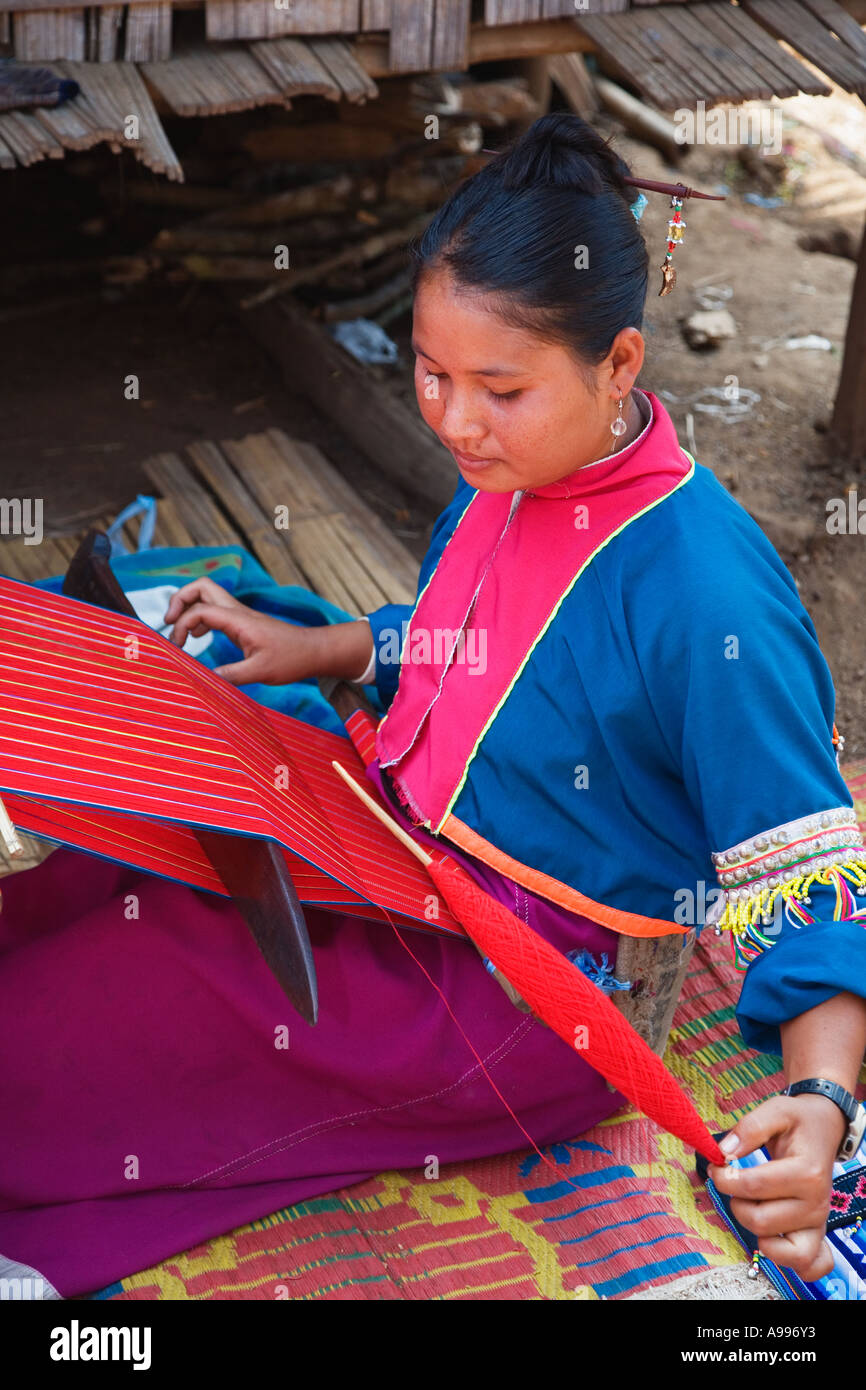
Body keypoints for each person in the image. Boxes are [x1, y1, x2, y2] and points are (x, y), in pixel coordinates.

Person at [2, 114, 864, 1299]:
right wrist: (319, 641)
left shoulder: (706, 596)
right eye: (428, 369)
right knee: (102, 867)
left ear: (619, 365)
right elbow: (479, 647)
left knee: (70, 1030)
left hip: (514, 987)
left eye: (497, 387)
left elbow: (807, 882)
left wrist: (819, 1105)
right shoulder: (510, 473)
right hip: (388, 845)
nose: (453, 419)